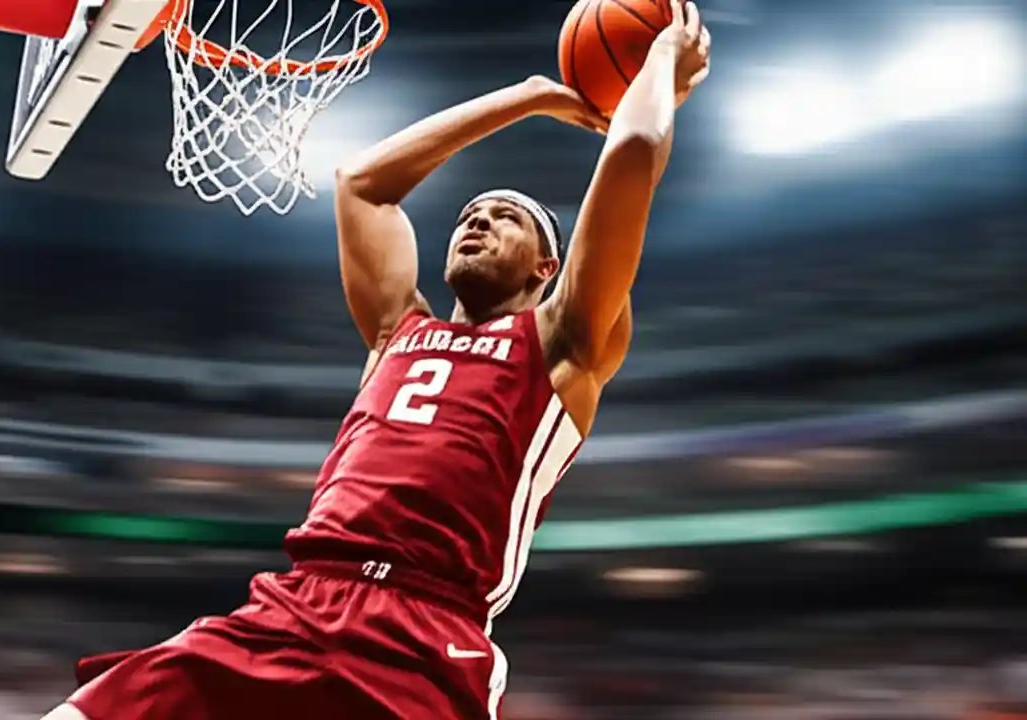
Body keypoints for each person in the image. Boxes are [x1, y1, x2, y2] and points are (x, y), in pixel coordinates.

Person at [44, 2, 710, 718]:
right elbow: (361, 182)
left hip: (424, 635)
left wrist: (657, 63)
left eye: (505, 216)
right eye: (467, 217)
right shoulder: (397, 330)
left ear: (547, 265)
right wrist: (528, 97)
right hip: (293, 605)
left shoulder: (564, 345)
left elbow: (633, 153)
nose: (477, 220)